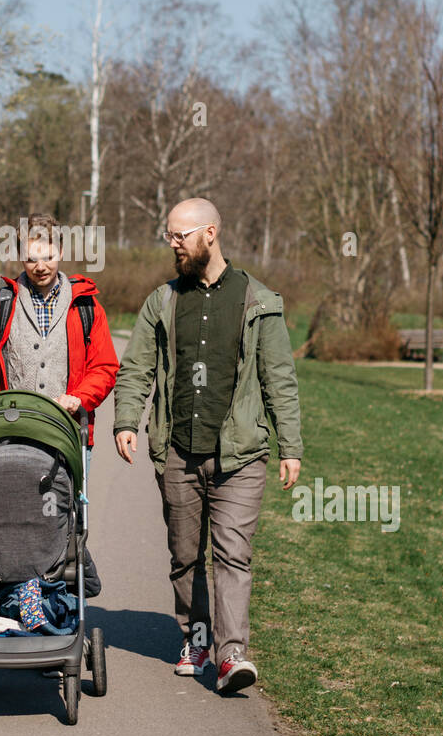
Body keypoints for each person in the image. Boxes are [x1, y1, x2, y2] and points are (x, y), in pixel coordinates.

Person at [112, 199, 302, 694]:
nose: (172, 244)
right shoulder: (164, 300)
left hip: (240, 453)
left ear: (211, 233)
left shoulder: (258, 300)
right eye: (169, 236)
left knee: (233, 553)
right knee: (184, 555)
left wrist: (291, 446)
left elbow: (279, 377)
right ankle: (195, 638)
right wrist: (127, 419)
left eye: (180, 235)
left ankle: (231, 651)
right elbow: (136, 367)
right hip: (178, 449)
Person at [0, 213, 119, 477]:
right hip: (9, 437)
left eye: (48, 257)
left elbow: (104, 366)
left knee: (65, 513)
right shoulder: (1, 305)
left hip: (67, 436)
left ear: (60, 250)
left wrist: (79, 398)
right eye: (31, 259)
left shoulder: (86, 306)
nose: (40, 266)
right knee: (9, 513)